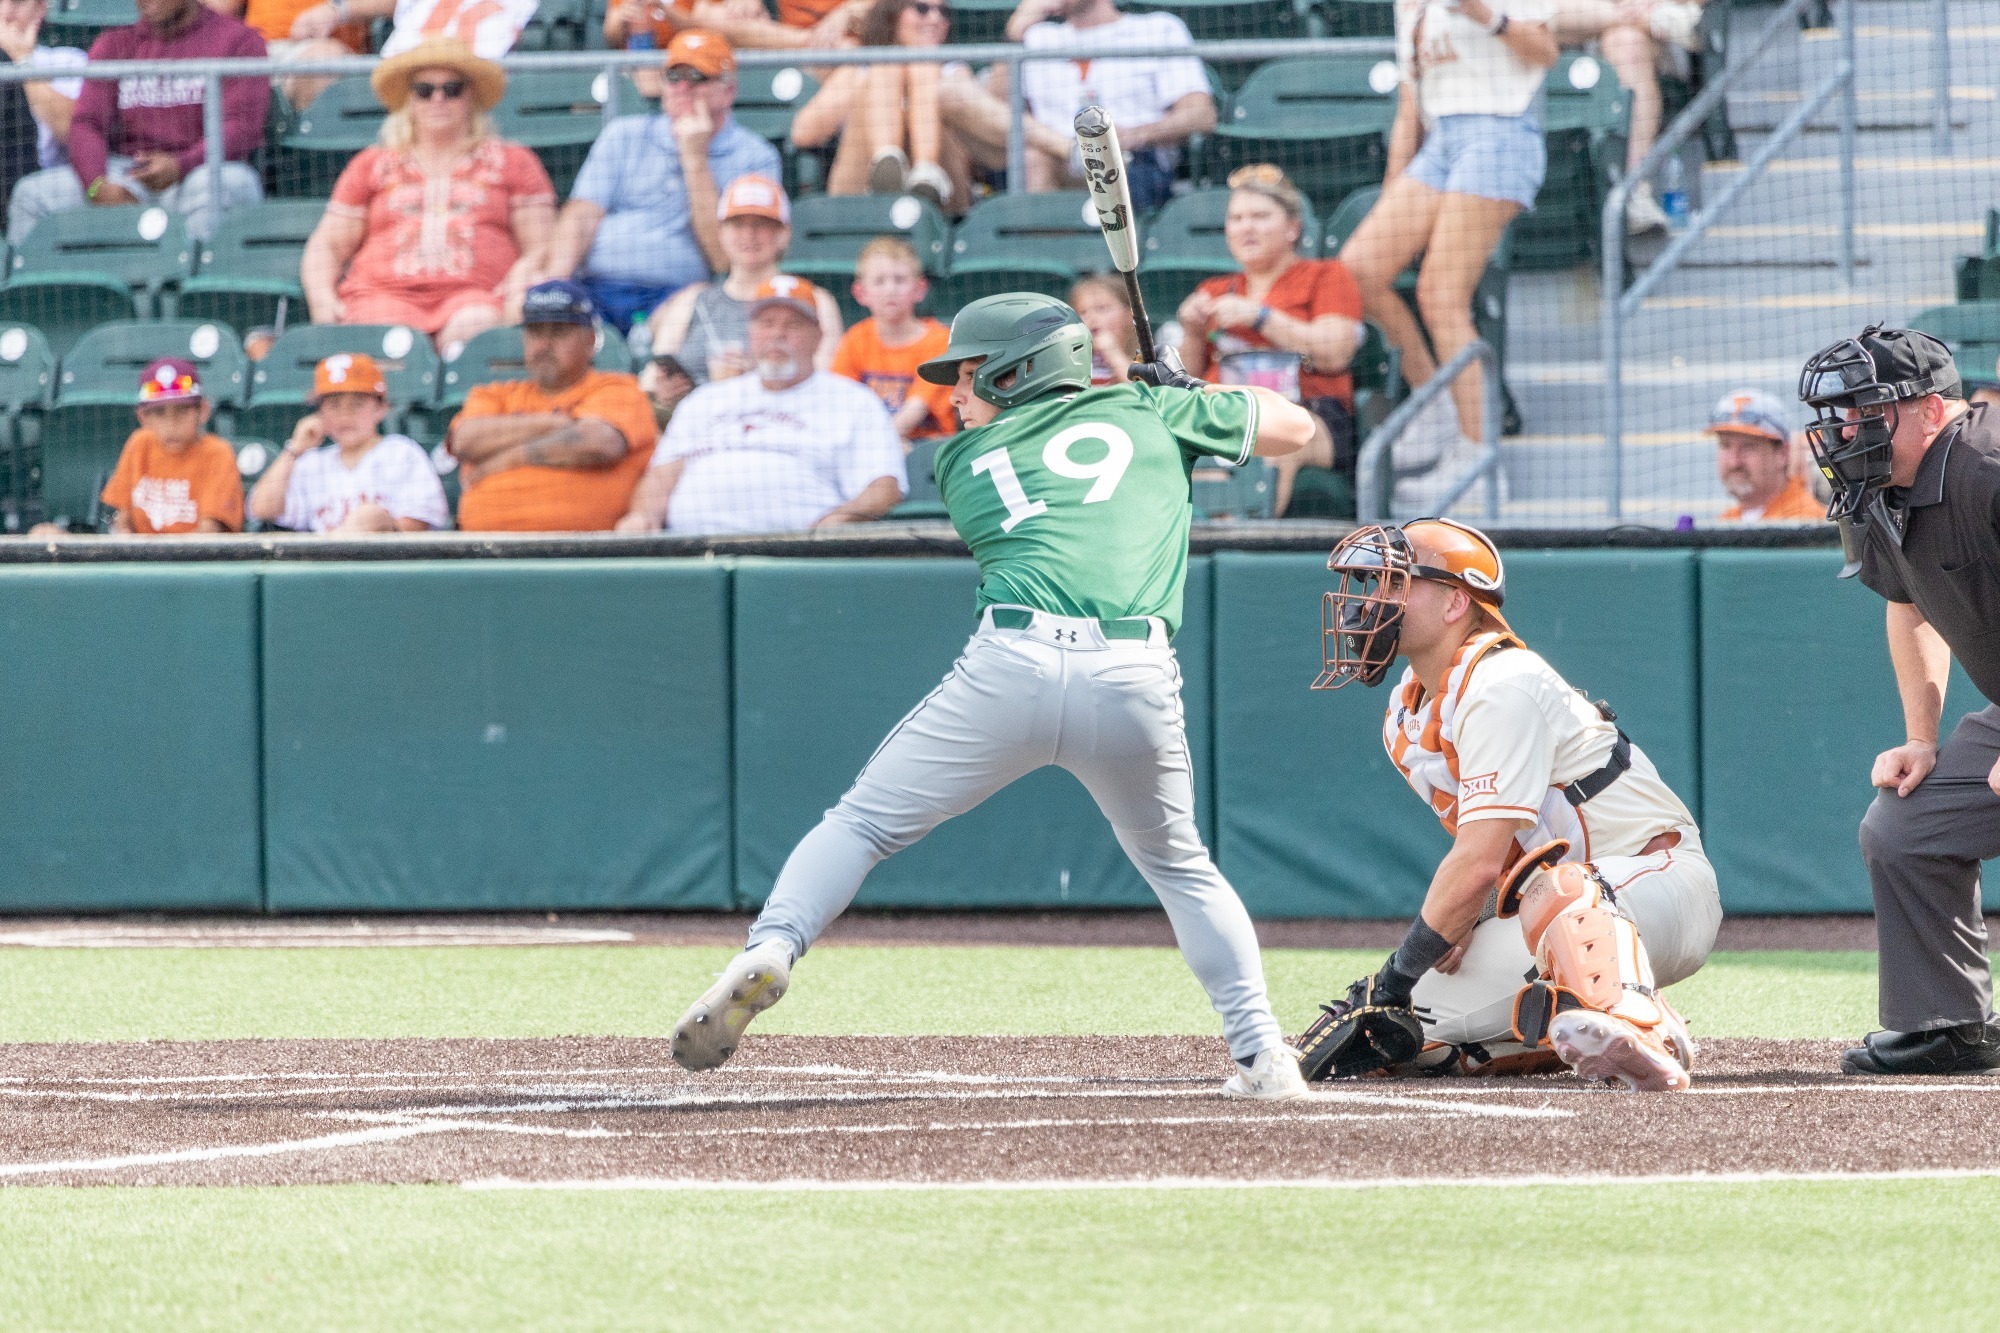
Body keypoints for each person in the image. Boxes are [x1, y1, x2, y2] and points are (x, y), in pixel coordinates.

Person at [664, 292, 1319, 1100]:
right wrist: (1189, 397)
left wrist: (1163, 405)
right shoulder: (1151, 410)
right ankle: (1263, 1054)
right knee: (1182, 865)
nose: (956, 394)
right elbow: (1299, 429)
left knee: (863, 822)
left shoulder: (961, 463)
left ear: (1019, 370)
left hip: (1012, 664)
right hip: (1135, 673)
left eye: (970, 374)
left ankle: (772, 946)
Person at [1300, 519, 1720, 1091]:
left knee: (1559, 891)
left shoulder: (1502, 682)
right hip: (1554, 913)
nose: (1372, 598)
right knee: (1402, 1033)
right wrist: (1422, 968)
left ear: (1455, 602)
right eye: (1373, 582)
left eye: (1393, 583)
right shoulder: (1408, 713)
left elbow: (1475, 864)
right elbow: (1496, 859)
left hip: (1661, 886)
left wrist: (1392, 976)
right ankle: (1608, 1019)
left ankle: (1633, 1021)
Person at [1797, 324, 2000, 1076]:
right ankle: (1949, 1022)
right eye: (1840, 414)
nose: (1844, 430)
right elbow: (1909, 603)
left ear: (1928, 410)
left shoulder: (1987, 464)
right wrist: (1923, 736)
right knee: (1906, 828)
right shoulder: (1878, 487)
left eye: (1864, 410)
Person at [1338, 0, 1558, 501]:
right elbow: (1409, 106)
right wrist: (1394, 193)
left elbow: (1546, 51)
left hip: (1500, 131)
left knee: (1441, 294)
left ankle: (1479, 459)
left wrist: (1482, 14)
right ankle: (1435, 404)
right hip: (1440, 142)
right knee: (1357, 272)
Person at [301, 38, 556, 356]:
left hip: (476, 298)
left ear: (471, 95)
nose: (438, 99)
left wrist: (522, 279)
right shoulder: (372, 163)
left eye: (452, 89)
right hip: (381, 299)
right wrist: (321, 296)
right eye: (424, 90)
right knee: (381, 335)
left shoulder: (514, 160)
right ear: (409, 98)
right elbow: (327, 244)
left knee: (478, 329)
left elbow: (544, 245)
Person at [619, 276, 907, 533]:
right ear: (750, 331)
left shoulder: (853, 401)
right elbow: (660, 476)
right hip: (692, 553)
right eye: (766, 323)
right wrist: (642, 516)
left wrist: (835, 523)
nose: (777, 333)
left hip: (797, 556)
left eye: (793, 324)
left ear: (818, 336)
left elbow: (884, 486)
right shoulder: (706, 400)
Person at [544, 30, 781, 335]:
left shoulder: (755, 156)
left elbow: (723, 259)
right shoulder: (624, 134)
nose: (683, 87)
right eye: (673, 76)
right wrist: (557, 283)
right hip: (595, 288)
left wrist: (694, 159)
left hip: (675, 296)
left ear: (728, 91)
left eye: (697, 77)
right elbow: (581, 215)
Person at [1175, 165, 1364, 518]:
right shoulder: (1214, 289)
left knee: (1274, 440)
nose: (1246, 227)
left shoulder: (1326, 276)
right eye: (1237, 218)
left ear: (1293, 227)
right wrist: (1190, 330)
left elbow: (1335, 353)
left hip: (1310, 410)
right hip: (1221, 410)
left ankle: (1241, 546)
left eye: (1260, 216)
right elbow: (1186, 378)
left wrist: (1261, 317)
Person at [6, 0, 267, 243]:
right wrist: (97, 185)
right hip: (127, 173)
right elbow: (87, 124)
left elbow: (240, 128)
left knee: (222, 184)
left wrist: (180, 165)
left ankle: (191, 289)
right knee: (32, 195)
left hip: (197, 172)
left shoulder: (237, 40)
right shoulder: (115, 43)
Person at [789, 0, 1073, 212]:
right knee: (885, 67)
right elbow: (803, 133)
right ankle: (887, 162)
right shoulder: (860, 69)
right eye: (922, 8)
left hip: (945, 189)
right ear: (894, 14)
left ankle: (925, 172)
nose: (935, 18)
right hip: (860, 189)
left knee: (926, 69)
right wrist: (870, 88)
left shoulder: (954, 72)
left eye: (944, 11)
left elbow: (983, 150)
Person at [447, 280, 660, 532]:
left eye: (559, 332)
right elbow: (465, 440)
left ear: (590, 341)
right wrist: (560, 423)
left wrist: (509, 456)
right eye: (536, 332)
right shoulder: (494, 394)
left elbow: (598, 443)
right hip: (482, 554)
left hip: (588, 554)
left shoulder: (618, 388)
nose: (544, 345)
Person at [1001, 0, 1214, 212]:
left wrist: (1133, 135)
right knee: (1033, 157)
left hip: (1132, 160)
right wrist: (1013, 34)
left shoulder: (1158, 28)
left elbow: (1201, 114)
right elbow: (995, 113)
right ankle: (1072, 152)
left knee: (1036, 159)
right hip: (1055, 155)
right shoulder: (1038, 37)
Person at [645, 174, 844, 385]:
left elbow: (826, 383)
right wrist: (667, 390)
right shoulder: (692, 300)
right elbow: (651, 379)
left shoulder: (813, 300)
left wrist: (761, 375)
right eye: (738, 224)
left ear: (783, 234)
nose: (749, 234)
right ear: (721, 233)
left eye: (761, 224)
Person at [247, 353, 450, 533]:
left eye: (357, 405)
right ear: (320, 412)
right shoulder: (311, 462)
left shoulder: (401, 452)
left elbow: (415, 528)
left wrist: (369, 527)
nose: (345, 415)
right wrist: (295, 449)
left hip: (384, 566)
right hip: (322, 568)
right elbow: (263, 510)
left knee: (370, 517)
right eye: (334, 405)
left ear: (381, 408)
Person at [1551, 1, 1705, 234]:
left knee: (1625, 41)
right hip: (1553, 33)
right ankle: (1658, 19)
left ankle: (1632, 191)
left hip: (1645, 42)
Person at [99, 359, 245, 534]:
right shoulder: (139, 444)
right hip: (140, 557)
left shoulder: (217, 453)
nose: (171, 424)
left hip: (196, 559)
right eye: (159, 413)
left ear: (203, 411)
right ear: (143, 417)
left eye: (182, 411)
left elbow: (209, 532)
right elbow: (120, 519)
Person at [831, 236, 955, 442]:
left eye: (899, 279)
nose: (890, 289)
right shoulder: (855, 339)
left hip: (926, 448)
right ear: (860, 292)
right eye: (879, 281)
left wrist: (880, 446)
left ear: (920, 289)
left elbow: (913, 413)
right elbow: (840, 404)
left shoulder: (938, 340)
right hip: (871, 443)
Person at [1708, 387, 1820, 524]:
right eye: (1725, 445)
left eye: (1748, 447)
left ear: (1783, 454)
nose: (1734, 462)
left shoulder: (1806, 520)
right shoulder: (1726, 521)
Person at [0, 0, 85, 172]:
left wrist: (22, 59)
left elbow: (75, 133)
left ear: (40, 8)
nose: (5, 13)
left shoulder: (67, 61)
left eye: (18, 2)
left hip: (42, 179)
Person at [1069, 274, 1136, 386]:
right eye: (1083, 311)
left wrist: (1112, 352)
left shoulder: (1146, 357)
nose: (1091, 317)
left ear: (1129, 315)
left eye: (1102, 308)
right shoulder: (1072, 361)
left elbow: (1144, 393)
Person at [639, 352, 698, 430]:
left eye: (646, 371)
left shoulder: (691, 404)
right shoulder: (648, 404)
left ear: (662, 371)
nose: (641, 376)